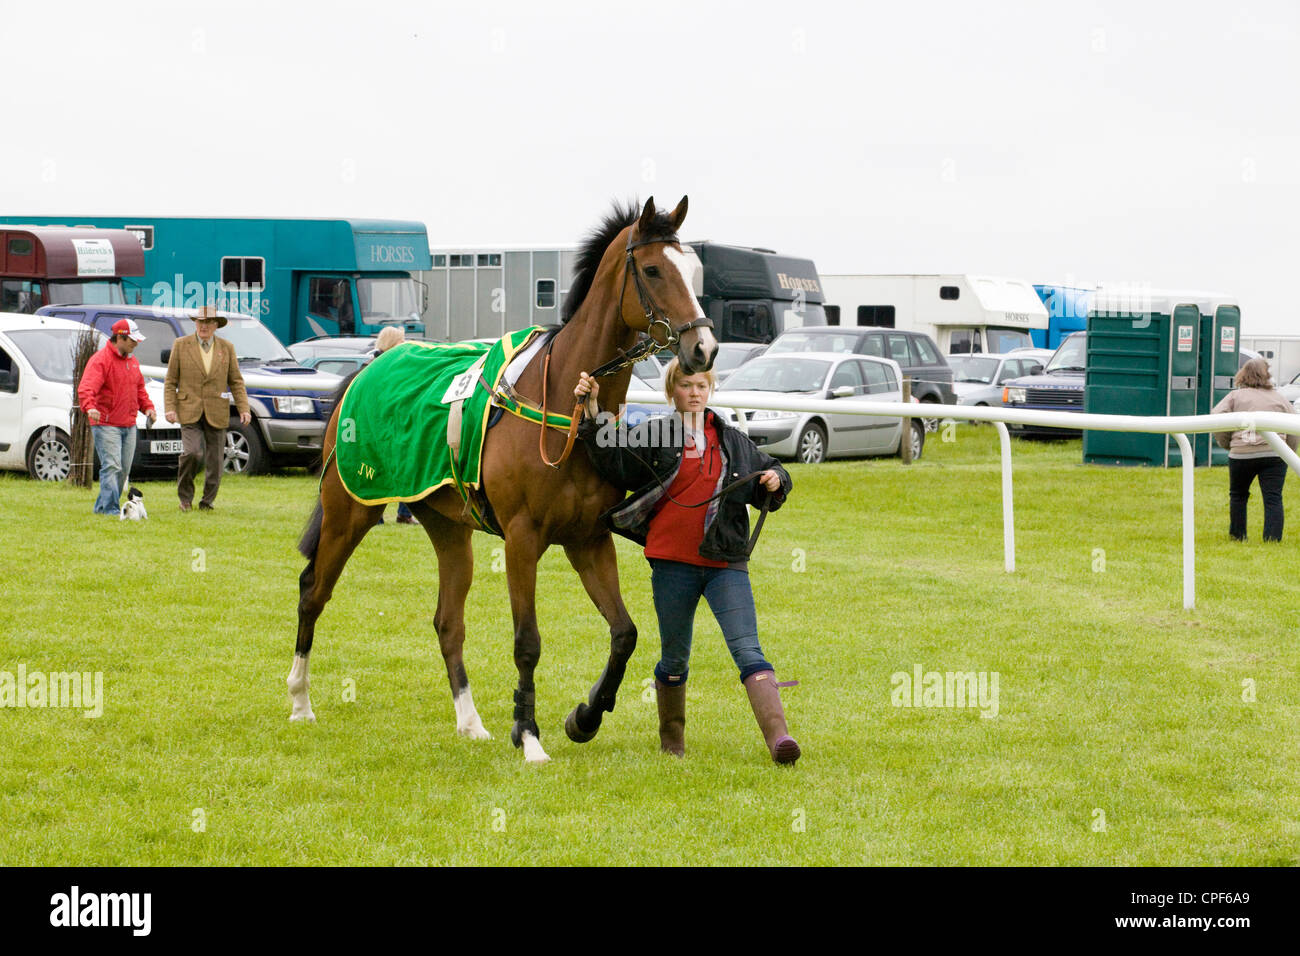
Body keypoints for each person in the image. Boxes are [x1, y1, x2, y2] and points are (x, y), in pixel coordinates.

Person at [575, 358, 799, 764]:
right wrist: (591, 412)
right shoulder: (655, 433)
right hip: (671, 565)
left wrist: (776, 480)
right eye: (686, 385)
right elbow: (614, 460)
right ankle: (672, 743)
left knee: (748, 650)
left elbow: (774, 473)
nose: (695, 392)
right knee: (675, 658)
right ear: (671, 391)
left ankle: (780, 740)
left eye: (701, 385)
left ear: (710, 388)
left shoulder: (731, 440)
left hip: (725, 564)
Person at [163, 305, 251, 512]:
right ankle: (185, 498)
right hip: (189, 408)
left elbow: (236, 381)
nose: (203, 326)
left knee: (215, 461)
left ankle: (207, 501)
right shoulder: (180, 345)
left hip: (217, 409)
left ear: (215, 325)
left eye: (208, 322)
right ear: (195, 323)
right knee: (192, 453)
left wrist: (243, 408)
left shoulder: (226, 347)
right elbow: (170, 381)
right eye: (200, 322)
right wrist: (170, 408)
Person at [1212, 356, 1298, 542]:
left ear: (1243, 374)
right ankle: (1272, 540)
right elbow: (1294, 428)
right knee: (1273, 498)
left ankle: (1238, 536)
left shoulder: (1235, 396)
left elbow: (1216, 417)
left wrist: (1228, 443)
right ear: (1267, 375)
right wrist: (1288, 452)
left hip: (1241, 454)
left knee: (1238, 495)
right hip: (1274, 454)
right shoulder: (1279, 397)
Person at [77, 318, 156, 515]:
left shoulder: (133, 361)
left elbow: (140, 390)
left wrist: (148, 408)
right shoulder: (100, 360)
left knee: (122, 470)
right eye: (132, 340)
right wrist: (90, 407)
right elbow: (86, 388)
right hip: (105, 423)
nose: (136, 344)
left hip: (128, 424)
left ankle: (102, 508)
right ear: (119, 338)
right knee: (112, 466)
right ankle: (110, 510)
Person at [369, 325, 416, 524]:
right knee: (379, 472)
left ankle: (404, 514)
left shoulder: (394, 363)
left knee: (404, 469)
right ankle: (378, 515)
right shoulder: (376, 366)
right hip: (382, 428)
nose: (404, 345)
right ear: (391, 343)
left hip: (396, 426)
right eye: (400, 342)